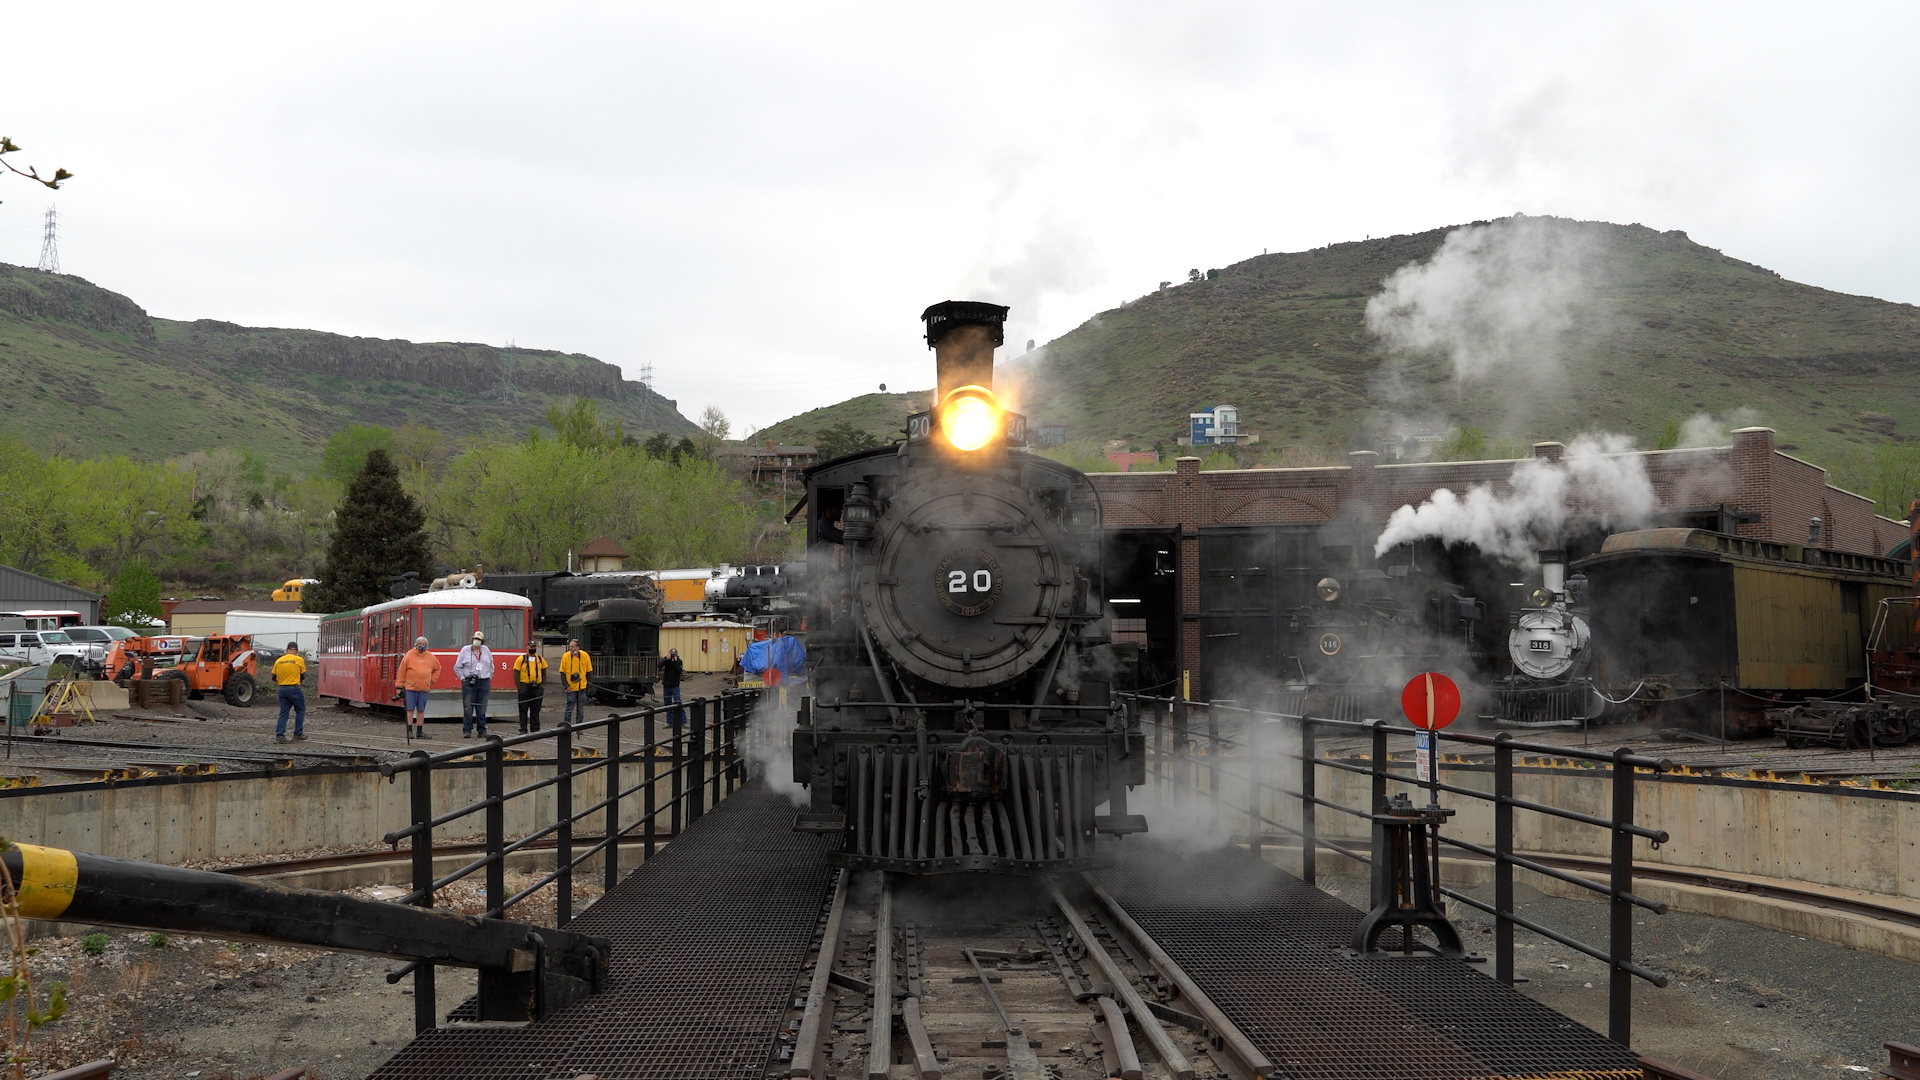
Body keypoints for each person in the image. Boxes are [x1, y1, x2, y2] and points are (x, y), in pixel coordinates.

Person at [394, 636, 441, 739]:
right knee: (409, 709)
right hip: (410, 688)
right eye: (420, 644)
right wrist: (399, 686)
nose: (422, 646)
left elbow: (438, 668)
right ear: (416, 645)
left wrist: (432, 680)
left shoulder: (431, 657)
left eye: (424, 644)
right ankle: (409, 731)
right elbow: (401, 671)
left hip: (424, 688)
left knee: (421, 710)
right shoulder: (409, 656)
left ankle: (419, 731)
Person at [454, 630, 494, 738]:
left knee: (482, 708)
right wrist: (462, 678)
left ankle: (482, 730)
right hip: (469, 682)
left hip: (484, 681)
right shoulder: (465, 650)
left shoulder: (486, 650)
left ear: (482, 641)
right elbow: (457, 666)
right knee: (468, 707)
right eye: (476, 639)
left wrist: (489, 676)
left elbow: (491, 665)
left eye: (479, 640)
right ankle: (467, 730)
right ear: (472, 640)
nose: (477, 641)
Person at [271, 641, 307, 743]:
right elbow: (303, 675)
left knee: (284, 713)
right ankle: (298, 733)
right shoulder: (299, 659)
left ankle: (280, 735)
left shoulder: (279, 661)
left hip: (282, 689)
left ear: (287, 650)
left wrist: (282, 681)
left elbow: (273, 677)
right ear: (296, 650)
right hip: (294, 688)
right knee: (300, 710)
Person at [514, 642, 548, 733]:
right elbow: (516, 672)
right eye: (531, 647)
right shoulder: (521, 659)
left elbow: (544, 671)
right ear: (527, 648)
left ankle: (535, 729)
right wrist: (519, 687)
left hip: (537, 687)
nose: (533, 648)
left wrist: (542, 685)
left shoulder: (540, 659)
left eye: (534, 647)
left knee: (535, 709)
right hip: (524, 687)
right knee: (523, 709)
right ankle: (523, 729)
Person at [558, 639, 592, 726]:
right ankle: (566, 726)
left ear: (577, 647)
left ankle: (579, 727)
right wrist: (566, 685)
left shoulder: (584, 655)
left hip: (582, 687)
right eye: (570, 646)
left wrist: (588, 685)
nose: (570, 648)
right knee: (569, 708)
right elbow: (562, 673)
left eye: (572, 647)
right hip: (571, 687)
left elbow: (589, 672)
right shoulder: (566, 656)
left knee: (580, 709)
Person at [659, 647, 685, 727]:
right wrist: (666, 659)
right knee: (667, 704)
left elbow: (679, 671)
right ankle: (669, 722)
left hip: (675, 685)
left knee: (678, 702)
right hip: (666, 684)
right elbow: (659, 665)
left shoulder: (679, 661)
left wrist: (675, 661)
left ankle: (682, 720)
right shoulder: (666, 661)